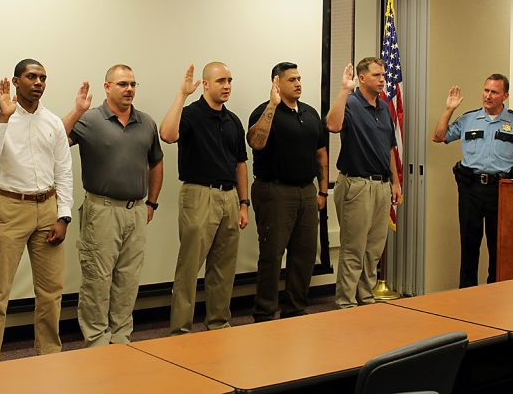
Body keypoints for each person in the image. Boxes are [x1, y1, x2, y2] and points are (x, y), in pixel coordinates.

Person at [0, 59, 73, 363]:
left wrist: (63, 215)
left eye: (43, 77)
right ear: (16, 82)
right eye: (32, 77)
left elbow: (64, 170)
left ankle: (49, 357)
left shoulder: (53, 122)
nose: (39, 82)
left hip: (47, 209)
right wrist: (4, 119)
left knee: (51, 292)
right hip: (12, 208)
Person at [62, 64, 164, 347]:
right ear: (107, 87)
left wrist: (152, 203)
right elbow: (55, 140)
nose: (129, 89)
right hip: (102, 210)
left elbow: (156, 162)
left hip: (136, 211)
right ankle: (96, 339)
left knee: (128, 279)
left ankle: (120, 336)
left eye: (132, 84)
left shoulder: (146, 122)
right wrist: (77, 111)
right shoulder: (91, 119)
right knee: (97, 278)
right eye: (122, 84)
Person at [160, 62, 249, 335]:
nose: (227, 86)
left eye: (230, 80)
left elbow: (241, 164)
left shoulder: (232, 120)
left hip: (229, 198)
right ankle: (180, 330)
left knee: (223, 268)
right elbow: (167, 134)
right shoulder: (190, 114)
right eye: (221, 81)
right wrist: (182, 95)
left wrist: (244, 203)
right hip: (199, 194)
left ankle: (219, 324)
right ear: (206, 84)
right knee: (189, 267)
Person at [432, 74, 513, 288]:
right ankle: (467, 293)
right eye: (486, 90)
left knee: (498, 246)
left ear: (505, 95)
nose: (488, 96)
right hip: (471, 189)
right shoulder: (469, 119)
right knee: (469, 245)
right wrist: (449, 109)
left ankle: (495, 293)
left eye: (494, 92)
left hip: (501, 190)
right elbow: (439, 136)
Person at [247, 62, 328, 322]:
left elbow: (320, 153)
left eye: (299, 78)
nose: (298, 83)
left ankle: (295, 309)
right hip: (274, 191)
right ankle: (265, 312)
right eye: (291, 79)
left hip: (307, 191)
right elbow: (256, 143)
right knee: (272, 256)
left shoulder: (310, 113)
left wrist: (323, 191)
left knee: (304, 254)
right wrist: (272, 104)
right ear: (276, 82)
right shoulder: (263, 111)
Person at [327, 58, 402, 309]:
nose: (383, 79)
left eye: (383, 75)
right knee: (353, 249)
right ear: (361, 78)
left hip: (381, 186)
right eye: (377, 75)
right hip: (357, 184)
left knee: (373, 250)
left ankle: (366, 298)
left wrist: (395, 181)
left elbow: (389, 148)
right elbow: (332, 125)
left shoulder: (383, 108)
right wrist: (343, 91)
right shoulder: (350, 103)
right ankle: (346, 303)